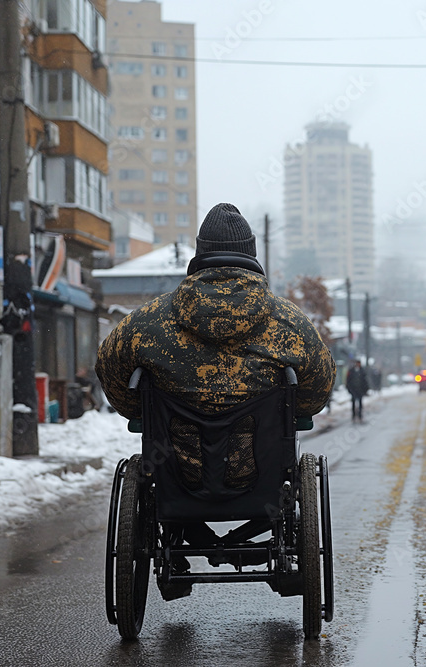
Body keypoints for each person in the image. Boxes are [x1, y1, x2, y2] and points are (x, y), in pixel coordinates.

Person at [96, 203, 335, 599]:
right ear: (251, 254)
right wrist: (296, 411)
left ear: (200, 252)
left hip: (178, 474)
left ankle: (176, 544)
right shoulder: (290, 324)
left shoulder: (147, 322)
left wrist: (140, 413)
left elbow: (111, 371)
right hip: (259, 476)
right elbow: (317, 391)